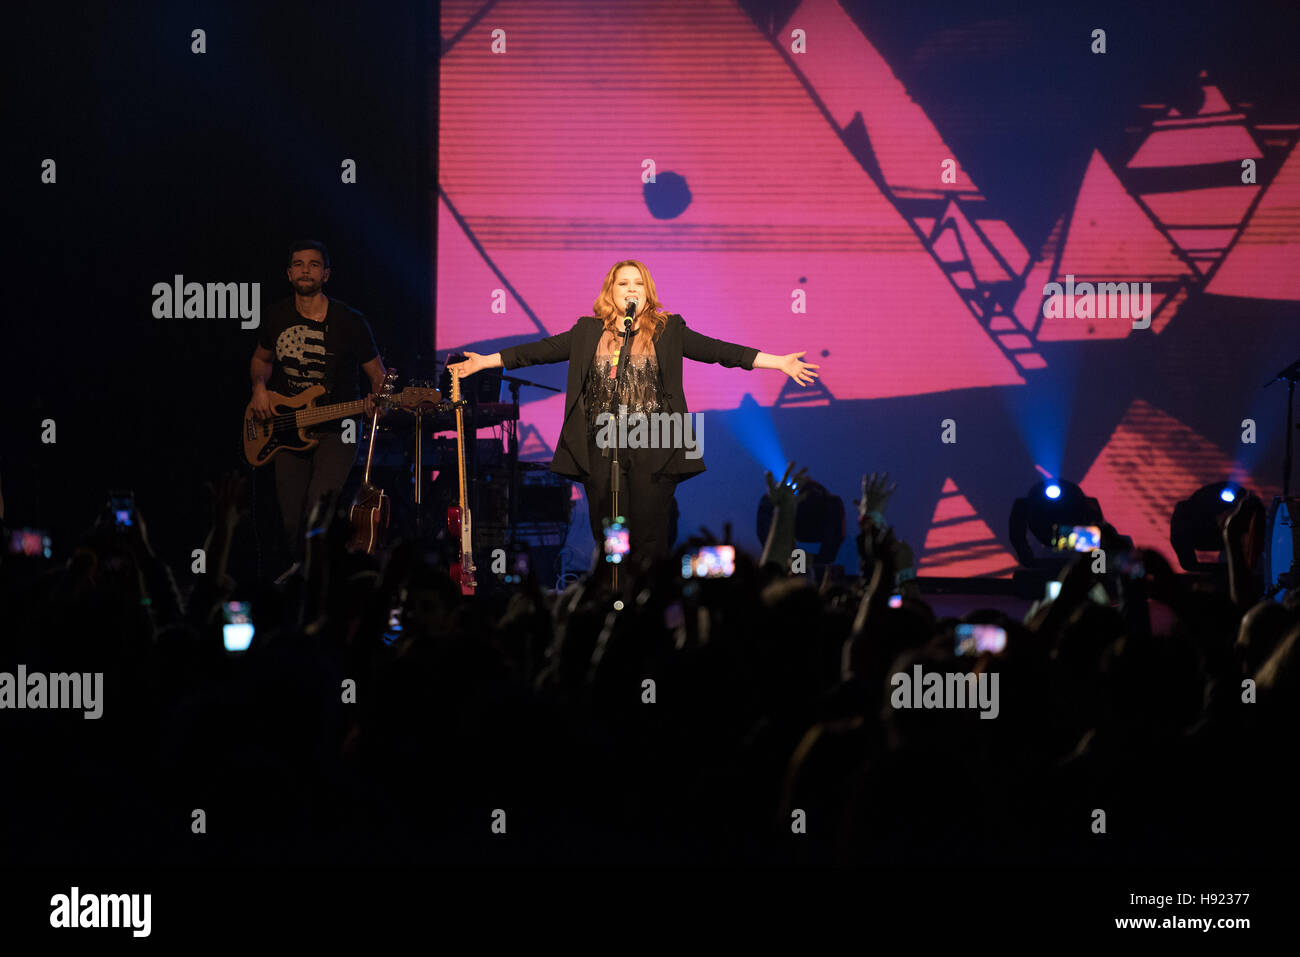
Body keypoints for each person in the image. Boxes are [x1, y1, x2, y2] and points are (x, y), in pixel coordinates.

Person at [449, 260, 819, 568]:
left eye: (638, 283)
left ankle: (648, 603)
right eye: (623, 282)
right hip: (600, 444)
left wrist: (778, 363)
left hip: (655, 440)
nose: (631, 289)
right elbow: (538, 351)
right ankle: (613, 600)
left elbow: (719, 351)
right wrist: (485, 361)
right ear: (610, 291)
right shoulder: (586, 331)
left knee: (648, 534)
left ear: (648, 292)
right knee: (610, 533)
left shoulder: (669, 329)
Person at [248, 240, 387, 570]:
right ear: (288, 273)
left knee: (318, 507)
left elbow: (378, 377)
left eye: (313, 264)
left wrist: (377, 401)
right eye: (298, 264)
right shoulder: (275, 315)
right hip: (286, 428)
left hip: (340, 428)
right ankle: (303, 575)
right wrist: (259, 389)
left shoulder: (350, 321)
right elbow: (260, 359)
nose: (305, 269)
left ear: (326, 274)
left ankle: (323, 577)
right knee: (291, 515)